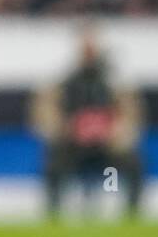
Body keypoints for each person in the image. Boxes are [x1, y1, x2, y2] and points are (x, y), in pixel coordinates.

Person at [30, 33, 145, 219]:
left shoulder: (112, 83)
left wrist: (115, 132)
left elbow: (130, 114)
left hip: (107, 144)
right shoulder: (65, 83)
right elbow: (46, 112)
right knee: (53, 162)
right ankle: (53, 210)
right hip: (72, 143)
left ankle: (132, 212)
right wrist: (64, 129)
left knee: (133, 161)